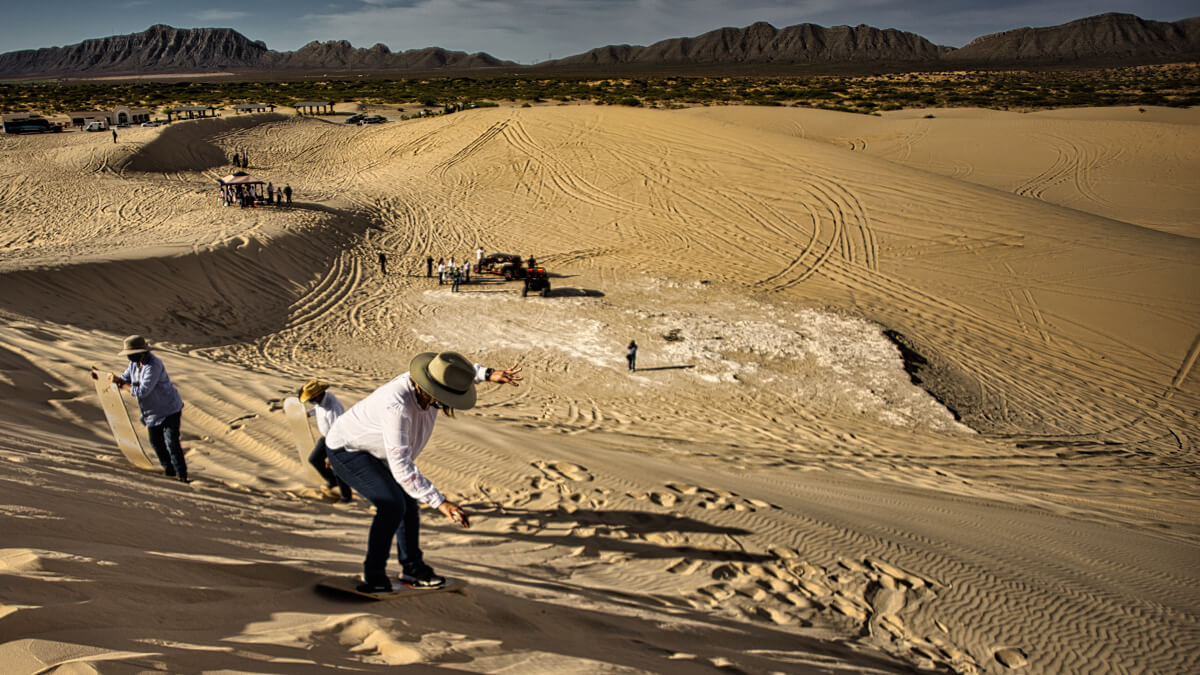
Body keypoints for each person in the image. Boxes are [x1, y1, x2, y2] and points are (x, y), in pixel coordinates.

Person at [326, 352, 523, 592]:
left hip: (379, 452)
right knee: (392, 505)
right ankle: (374, 576)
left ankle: (412, 569)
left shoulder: (429, 387)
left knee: (408, 505)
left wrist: (487, 375)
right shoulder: (397, 407)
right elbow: (401, 466)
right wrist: (440, 502)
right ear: (434, 391)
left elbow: (452, 371)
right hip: (347, 449)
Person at [107, 335, 188, 482]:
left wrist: (122, 385)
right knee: (156, 443)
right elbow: (125, 378)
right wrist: (115, 379)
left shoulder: (153, 365)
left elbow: (143, 391)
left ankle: (181, 475)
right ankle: (169, 471)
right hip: (152, 413)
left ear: (142, 352)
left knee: (172, 443)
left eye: (131, 354)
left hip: (169, 410)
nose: (129, 357)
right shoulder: (134, 364)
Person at [299, 380, 351, 502]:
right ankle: (332, 482)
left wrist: (330, 455)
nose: (310, 401)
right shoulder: (322, 398)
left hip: (337, 440)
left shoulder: (333, 408)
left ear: (317, 395)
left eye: (311, 399)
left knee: (338, 467)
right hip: (326, 437)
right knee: (314, 459)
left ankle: (346, 497)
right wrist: (310, 413)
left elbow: (338, 431)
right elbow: (318, 408)